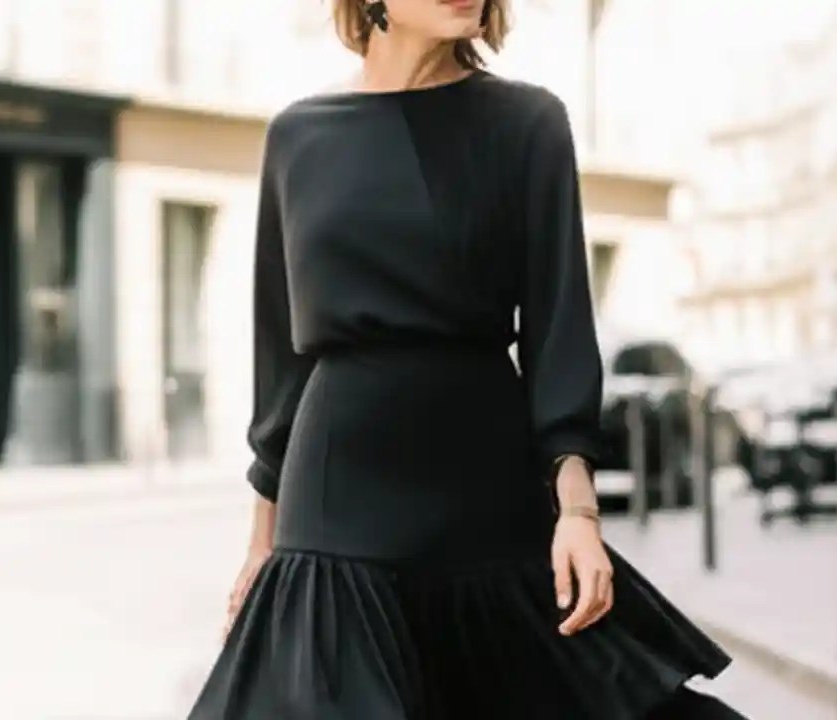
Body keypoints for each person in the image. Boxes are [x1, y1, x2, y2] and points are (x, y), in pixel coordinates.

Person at [188, 1, 749, 717]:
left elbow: (559, 330)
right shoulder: (298, 137)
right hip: (334, 502)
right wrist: (261, 542)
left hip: (485, 494)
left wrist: (577, 512)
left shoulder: (527, 125)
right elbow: (279, 354)